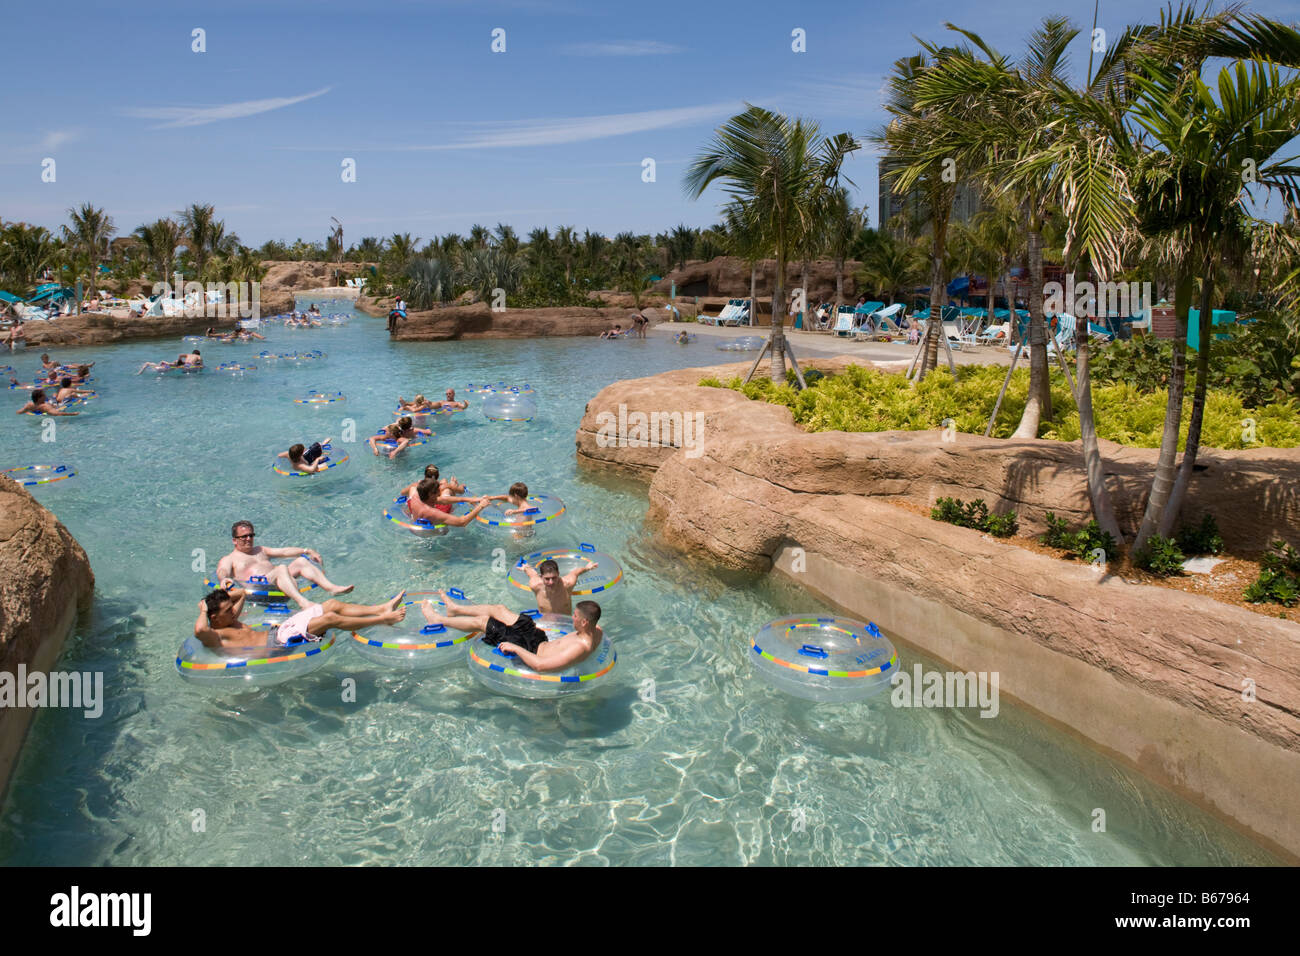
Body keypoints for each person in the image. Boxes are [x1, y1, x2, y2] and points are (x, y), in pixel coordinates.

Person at [423, 593, 604, 673]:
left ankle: (439, 620)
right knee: (500, 609)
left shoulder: (580, 647)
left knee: (483, 622)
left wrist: (515, 649)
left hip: (529, 649)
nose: (571, 617)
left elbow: (541, 666)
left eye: (575, 616)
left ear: (584, 621)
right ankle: (455, 609)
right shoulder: (597, 630)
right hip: (539, 638)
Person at [194, 582, 406, 650]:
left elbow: (241, 593)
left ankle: (380, 609)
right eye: (226, 611)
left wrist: (223, 597)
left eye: (231, 609)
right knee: (330, 618)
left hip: (279, 632)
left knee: (330, 604)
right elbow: (199, 630)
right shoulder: (216, 635)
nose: (233, 612)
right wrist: (204, 608)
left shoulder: (229, 619)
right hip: (276, 645)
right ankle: (384, 620)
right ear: (213, 617)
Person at [215, 520, 353, 609]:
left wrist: (307, 550)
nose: (249, 539)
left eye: (251, 535)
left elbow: (285, 551)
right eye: (244, 537)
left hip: (277, 581)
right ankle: (303, 602)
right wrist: (224, 579)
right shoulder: (230, 558)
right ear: (234, 540)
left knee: (301, 561)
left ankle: (332, 588)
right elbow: (223, 570)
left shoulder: (260, 550)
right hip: (259, 591)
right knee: (281, 568)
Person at [514, 556, 598, 615]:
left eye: (554, 578)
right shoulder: (536, 585)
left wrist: (587, 568)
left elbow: (576, 572)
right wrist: (526, 568)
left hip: (566, 625)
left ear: (558, 574)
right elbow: (532, 574)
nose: (551, 582)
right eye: (547, 579)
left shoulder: (567, 584)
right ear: (541, 577)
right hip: (546, 626)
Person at [404, 477, 488, 528]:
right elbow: (462, 522)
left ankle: (453, 487)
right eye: (438, 491)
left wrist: (469, 499)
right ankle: (453, 486)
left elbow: (441, 500)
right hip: (433, 534)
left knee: (446, 492)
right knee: (447, 491)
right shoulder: (432, 512)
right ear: (431, 494)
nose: (439, 492)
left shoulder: (415, 498)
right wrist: (480, 506)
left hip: (417, 525)